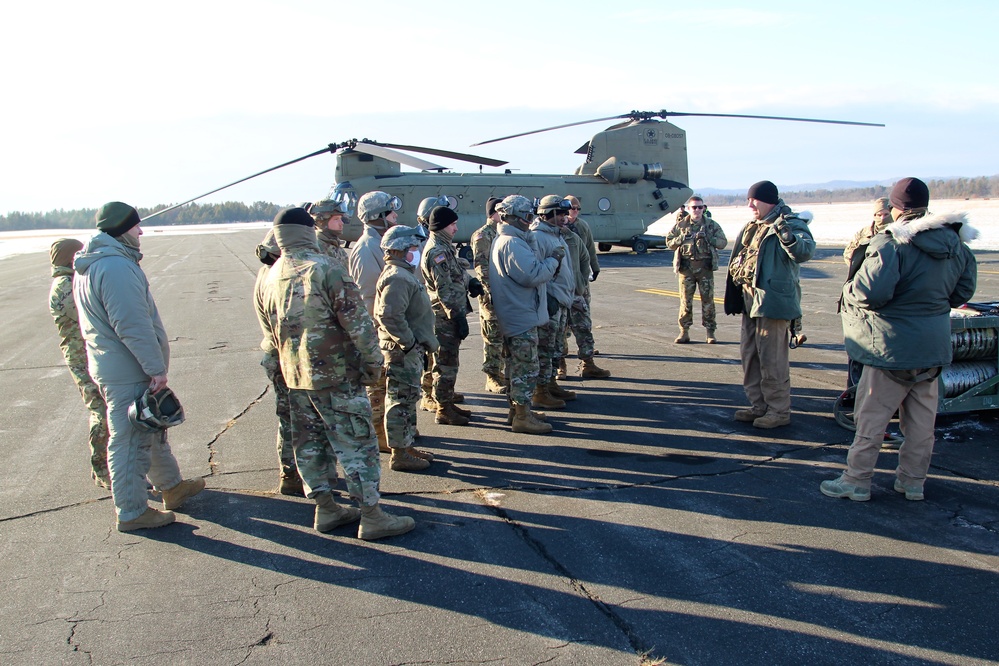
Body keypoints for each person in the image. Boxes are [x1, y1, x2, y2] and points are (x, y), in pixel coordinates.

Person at [260, 206, 414, 539]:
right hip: (336, 376)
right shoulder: (326, 268)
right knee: (356, 443)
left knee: (310, 444)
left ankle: (326, 509)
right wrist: (374, 364)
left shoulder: (269, 276)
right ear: (305, 231)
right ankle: (371, 516)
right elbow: (358, 323)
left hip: (295, 378)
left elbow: (269, 333)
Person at [821, 178, 977, 502]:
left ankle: (856, 480)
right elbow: (962, 293)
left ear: (896, 208)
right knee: (922, 423)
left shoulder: (891, 243)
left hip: (892, 349)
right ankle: (912, 482)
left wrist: (849, 289)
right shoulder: (955, 244)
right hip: (933, 348)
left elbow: (869, 292)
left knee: (871, 418)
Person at [73, 202, 205, 531]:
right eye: (136, 227)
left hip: (116, 366)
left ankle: (171, 487)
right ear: (121, 229)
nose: (141, 232)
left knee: (149, 430)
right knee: (131, 440)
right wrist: (155, 368)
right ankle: (132, 512)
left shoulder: (96, 263)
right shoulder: (114, 267)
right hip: (127, 370)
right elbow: (132, 325)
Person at [723, 181, 815, 429]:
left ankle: (778, 410)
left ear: (769, 201)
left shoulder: (789, 223)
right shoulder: (752, 227)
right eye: (748, 199)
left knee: (772, 358)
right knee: (750, 355)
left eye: (755, 200)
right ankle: (759, 405)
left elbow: (805, 251)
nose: (750, 204)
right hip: (749, 301)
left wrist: (788, 236)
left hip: (772, 302)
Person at [489, 195, 561, 434]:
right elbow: (532, 274)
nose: (530, 221)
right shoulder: (512, 243)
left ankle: (518, 411)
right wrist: (553, 261)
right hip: (520, 315)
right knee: (526, 367)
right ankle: (522, 416)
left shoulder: (514, 240)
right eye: (527, 217)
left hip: (517, 313)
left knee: (515, 366)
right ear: (514, 217)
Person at [374, 225, 439, 471]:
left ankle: (406, 445)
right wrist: (409, 342)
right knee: (400, 401)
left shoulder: (404, 273)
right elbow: (389, 316)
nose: (417, 251)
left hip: (409, 350)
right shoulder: (397, 277)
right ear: (399, 250)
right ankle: (399, 454)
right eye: (413, 247)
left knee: (409, 398)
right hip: (402, 351)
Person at [48, 238, 111, 489]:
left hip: (88, 355)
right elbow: (89, 314)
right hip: (81, 358)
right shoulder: (65, 286)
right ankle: (102, 469)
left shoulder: (69, 282)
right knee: (101, 412)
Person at [348, 191, 402, 453]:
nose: (395, 216)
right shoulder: (367, 248)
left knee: (391, 383)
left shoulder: (381, 243)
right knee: (378, 386)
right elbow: (369, 295)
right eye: (391, 212)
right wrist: (381, 331)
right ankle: (378, 433)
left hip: (389, 328)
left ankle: (393, 431)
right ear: (378, 217)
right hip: (377, 329)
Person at [252, 230, 304, 496]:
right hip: (284, 356)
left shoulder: (266, 275)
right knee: (294, 417)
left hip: (275, 353)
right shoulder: (277, 278)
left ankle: (292, 472)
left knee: (289, 417)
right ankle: (292, 474)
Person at [421, 206, 481, 425]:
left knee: (449, 362)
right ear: (442, 226)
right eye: (452, 224)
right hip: (444, 317)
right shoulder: (437, 251)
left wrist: (471, 281)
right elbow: (444, 288)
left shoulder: (444, 247)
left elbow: (456, 274)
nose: (456, 228)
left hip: (449, 314)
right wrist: (457, 316)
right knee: (445, 364)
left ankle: (446, 401)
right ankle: (443, 409)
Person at [530, 195, 576, 410]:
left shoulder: (556, 235)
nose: (565, 218)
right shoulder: (539, 237)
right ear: (549, 214)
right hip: (551, 300)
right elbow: (539, 271)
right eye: (561, 214)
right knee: (546, 348)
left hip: (562, 299)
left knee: (557, 347)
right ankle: (540, 391)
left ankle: (550, 383)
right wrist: (547, 299)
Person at [666, 196, 728, 344]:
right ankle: (684, 332)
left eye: (700, 207)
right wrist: (681, 238)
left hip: (705, 268)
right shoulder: (681, 225)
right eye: (694, 207)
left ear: (704, 208)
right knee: (685, 302)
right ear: (689, 209)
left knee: (708, 301)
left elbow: (723, 242)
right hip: (686, 269)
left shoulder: (711, 225)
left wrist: (710, 239)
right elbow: (669, 242)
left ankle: (710, 332)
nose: (698, 210)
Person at [563, 195, 609, 378]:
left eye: (578, 208)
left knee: (583, 321)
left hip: (580, 282)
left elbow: (589, 249)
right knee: (560, 326)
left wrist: (595, 268)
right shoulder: (554, 230)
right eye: (572, 207)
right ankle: (561, 364)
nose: (575, 211)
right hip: (561, 286)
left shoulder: (582, 227)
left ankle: (588, 362)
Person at [471, 197, 507, 393]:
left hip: (505, 293)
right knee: (493, 337)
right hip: (492, 295)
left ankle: (501, 373)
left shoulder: (504, 233)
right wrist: (491, 292)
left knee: (504, 335)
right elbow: (481, 266)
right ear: (494, 212)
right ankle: (492, 377)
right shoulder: (483, 235)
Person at [843, 197, 893, 270]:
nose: (882, 218)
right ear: (874, 215)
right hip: (866, 274)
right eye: (879, 215)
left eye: (886, 214)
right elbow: (848, 253)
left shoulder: (899, 233)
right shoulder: (865, 232)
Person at [312, 196, 351, 266]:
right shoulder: (315, 249)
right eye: (336, 219)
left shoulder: (338, 248)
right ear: (321, 222)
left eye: (341, 219)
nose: (341, 223)